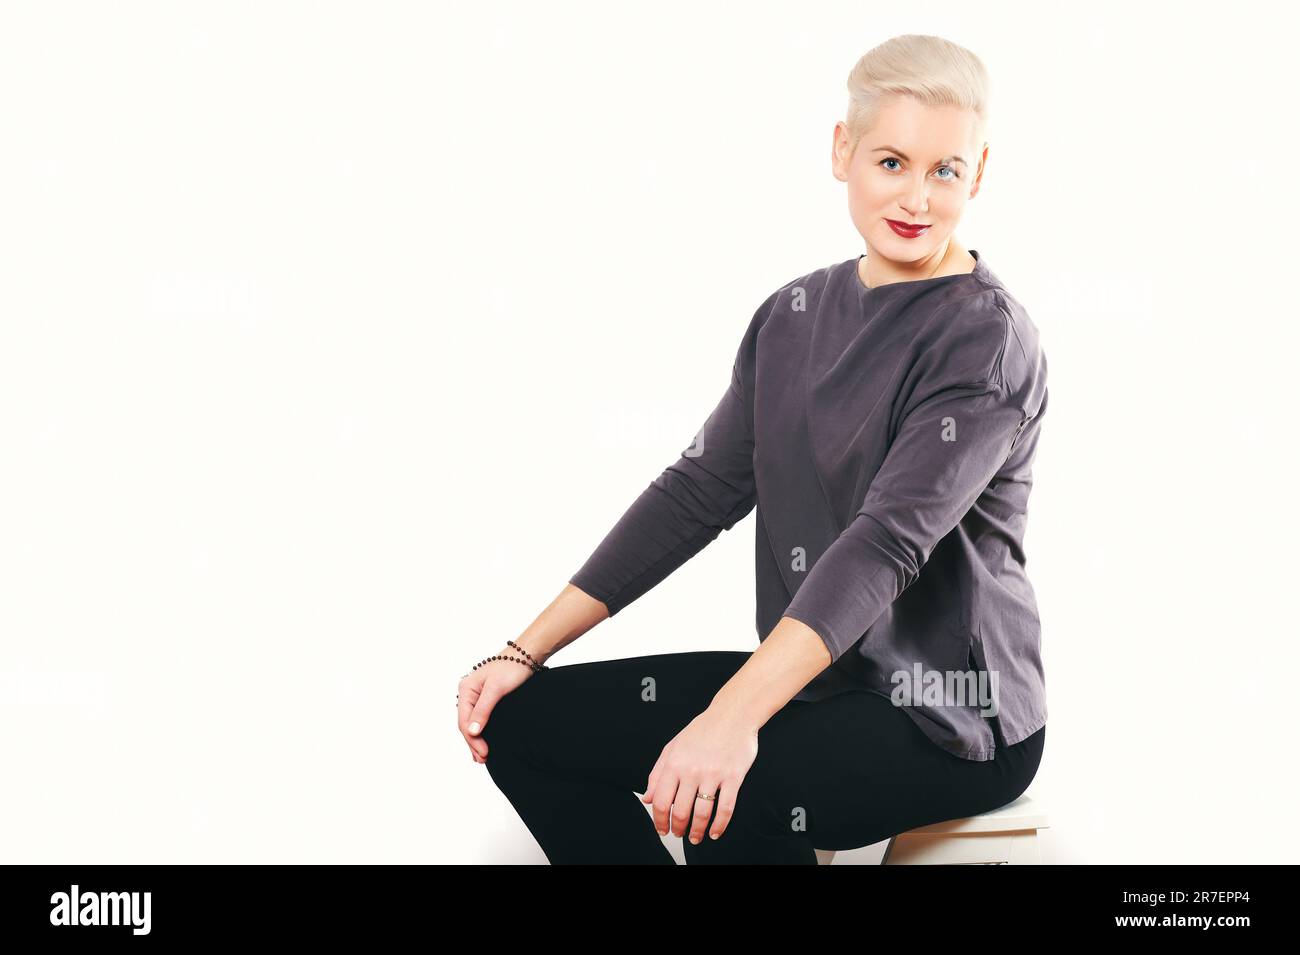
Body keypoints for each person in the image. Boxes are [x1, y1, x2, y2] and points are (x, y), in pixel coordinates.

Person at [458, 33, 1049, 864]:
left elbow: (886, 544)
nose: (917, 196)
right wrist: (525, 650)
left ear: (978, 173)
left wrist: (730, 719)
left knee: (724, 795)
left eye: (945, 170)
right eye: (891, 161)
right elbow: (697, 490)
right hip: (815, 679)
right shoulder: (794, 313)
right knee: (522, 723)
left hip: (948, 718)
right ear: (842, 151)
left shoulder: (982, 342)